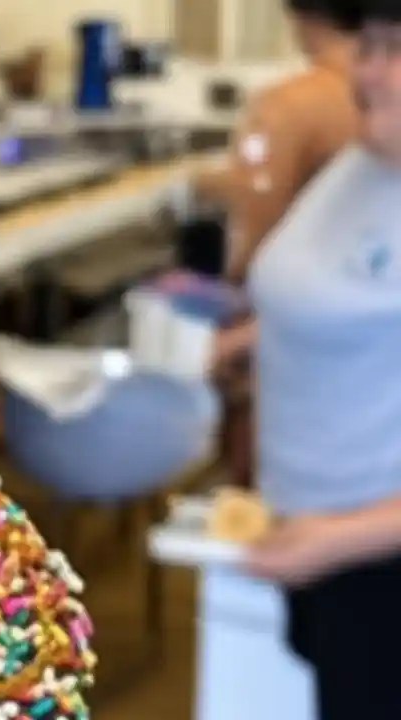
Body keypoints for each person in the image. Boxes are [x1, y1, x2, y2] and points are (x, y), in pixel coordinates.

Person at [242, 1, 401, 715]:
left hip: (376, 559)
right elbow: (334, 294)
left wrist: (341, 540)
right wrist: (246, 342)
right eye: (368, 46)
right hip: (321, 547)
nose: (369, 72)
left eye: (397, 51)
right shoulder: (363, 163)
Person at [207, 0, 363, 488]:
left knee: (269, 490)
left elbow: (256, 222)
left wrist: (237, 311)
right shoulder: (373, 108)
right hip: (362, 360)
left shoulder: (289, 104)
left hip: (294, 348)